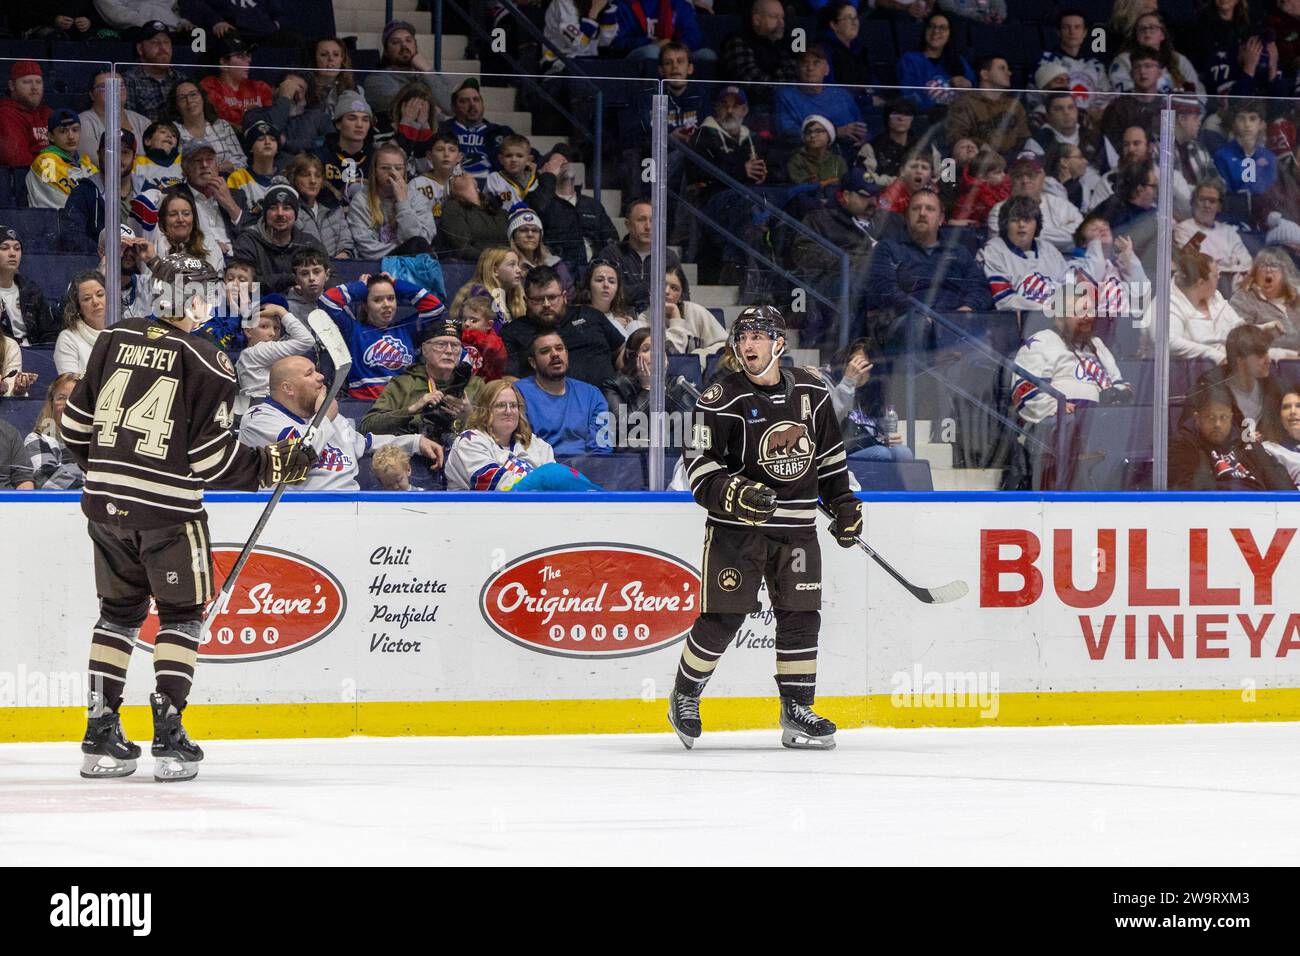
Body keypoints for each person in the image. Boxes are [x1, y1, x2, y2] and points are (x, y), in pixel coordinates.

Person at [63, 252, 315, 782]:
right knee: (179, 617)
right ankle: (169, 735)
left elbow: (73, 430)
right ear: (197, 298)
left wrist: (113, 473)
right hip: (168, 514)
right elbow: (210, 461)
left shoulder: (111, 338)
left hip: (104, 508)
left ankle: (100, 729)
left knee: (117, 615)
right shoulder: (208, 360)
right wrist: (270, 465)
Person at [667, 306, 860, 751]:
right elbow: (698, 468)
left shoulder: (812, 389)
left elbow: (830, 459)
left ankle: (797, 707)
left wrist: (845, 505)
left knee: (800, 615)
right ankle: (686, 694)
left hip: (797, 531)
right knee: (725, 615)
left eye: (758, 335)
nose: (748, 344)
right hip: (737, 531)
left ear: (779, 343)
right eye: (742, 336)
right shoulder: (718, 398)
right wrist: (735, 493)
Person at [239, 354, 442, 490]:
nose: (321, 377)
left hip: (352, 508)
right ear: (288, 388)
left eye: (316, 370)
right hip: (296, 515)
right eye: (310, 373)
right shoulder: (260, 419)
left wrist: (415, 442)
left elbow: (364, 443)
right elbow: (301, 452)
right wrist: (325, 417)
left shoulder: (331, 418)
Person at [1010, 271, 1131, 489]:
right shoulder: (1042, 342)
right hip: (1056, 431)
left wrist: (1120, 394)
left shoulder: (1097, 346)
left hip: (1099, 429)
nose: (1087, 316)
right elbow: (1024, 391)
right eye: (1078, 311)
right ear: (1059, 317)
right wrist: (1056, 407)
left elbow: (1119, 382)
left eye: (1089, 310)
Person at [359, 318, 487, 450]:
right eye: (441, 344)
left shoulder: (475, 385)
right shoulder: (404, 384)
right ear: (424, 350)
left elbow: (499, 434)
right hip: (414, 460)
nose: (449, 351)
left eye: (455, 346)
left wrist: (469, 415)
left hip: (463, 457)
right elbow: (366, 428)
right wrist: (413, 409)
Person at [865, 188, 993, 320]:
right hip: (907, 320)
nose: (922, 213)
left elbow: (980, 288)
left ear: (941, 219)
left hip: (955, 322)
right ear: (907, 217)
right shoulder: (888, 248)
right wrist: (920, 315)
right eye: (916, 208)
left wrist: (968, 309)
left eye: (929, 209)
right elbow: (883, 289)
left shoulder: (959, 251)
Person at [318, 272, 447, 399]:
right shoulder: (353, 330)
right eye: (377, 300)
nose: (386, 305)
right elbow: (327, 301)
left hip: (403, 408)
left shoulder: (406, 330)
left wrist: (398, 285)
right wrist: (360, 288)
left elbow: (436, 308)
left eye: (391, 298)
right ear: (366, 306)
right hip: (363, 408)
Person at [501, 265, 622, 384]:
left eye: (552, 297)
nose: (546, 304)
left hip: (611, 398)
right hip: (548, 401)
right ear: (526, 301)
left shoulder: (590, 315)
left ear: (564, 297)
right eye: (538, 299)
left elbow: (621, 352)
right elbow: (508, 379)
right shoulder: (513, 332)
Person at [1143, 236, 1251, 364]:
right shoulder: (1165, 302)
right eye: (1216, 276)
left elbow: (1239, 329)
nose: (1219, 280)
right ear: (1201, 283)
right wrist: (1214, 355)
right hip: (1178, 373)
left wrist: (1265, 330)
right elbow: (1167, 342)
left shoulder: (1216, 296)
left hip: (1225, 369)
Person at [1169, 386, 1293, 491]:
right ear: (1197, 419)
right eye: (1211, 417)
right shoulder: (1184, 445)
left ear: (1231, 417)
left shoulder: (1246, 444)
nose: (1217, 424)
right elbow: (1186, 493)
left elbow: (1279, 478)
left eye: (1223, 417)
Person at [445, 378, 558, 490]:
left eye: (513, 405)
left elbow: (557, 484)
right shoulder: (469, 442)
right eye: (500, 405)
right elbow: (496, 484)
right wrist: (542, 483)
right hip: (478, 507)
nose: (508, 411)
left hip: (534, 507)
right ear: (484, 410)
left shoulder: (537, 445)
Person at [1181, 324, 1288, 437]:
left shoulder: (1275, 387)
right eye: (1260, 355)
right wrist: (1240, 441)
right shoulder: (1207, 389)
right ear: (1240, 360)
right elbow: (1187, 436)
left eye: (1267, 353)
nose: (1268, 360)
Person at [599, 327, 698, 450]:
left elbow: (691, 425)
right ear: (632, 356)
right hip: (631, 459)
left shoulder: (679, 383)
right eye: (647, 349)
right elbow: (621, 429)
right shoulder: (614, 385)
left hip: (673, 455)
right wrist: (648, 389)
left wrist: (661, 386)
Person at [516, 331, 610, 456]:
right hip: (540, 469)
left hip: (586, 469)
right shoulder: (518, 393)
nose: (555, 354)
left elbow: (602, 447)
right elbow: (518, 446)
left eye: (559, 349)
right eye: (545, 351)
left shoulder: (592, 394)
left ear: (566, 354)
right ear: (533, 362)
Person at [826, 338, 912, 460]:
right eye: (854, 362)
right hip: (841, 455)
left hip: (871, 449)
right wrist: (847, 383)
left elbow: (879, 436)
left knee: (903, 452)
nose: (858, 370)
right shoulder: (830, 386)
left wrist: (888, 439)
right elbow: (830, 421)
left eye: (864, 365)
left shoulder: (874, 397)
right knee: (881, 453)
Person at [231, 184, 327, 294]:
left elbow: (331, 277)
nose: (280, 213)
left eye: (286, 208)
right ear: (265, 213)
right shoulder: (248, 241)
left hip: (304, 305)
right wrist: (291, 279)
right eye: (273, 208)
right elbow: (244, 283)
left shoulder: (309, 243)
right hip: (259, 306)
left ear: (295, 214)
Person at [979, 196, 1069, 312]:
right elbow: (1004, 300)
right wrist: (1049, 308)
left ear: (1037, 224)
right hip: (1013, 324)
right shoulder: (992, 251)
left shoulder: (1049, 249)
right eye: (1014, 220)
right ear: (1005, 224)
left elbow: (1069, 286)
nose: (1021, 224)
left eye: (1027, 220)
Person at [529, 159, 620, 273]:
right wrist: (548, 177)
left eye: (566, 161)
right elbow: (537, 210)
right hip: (558, 272)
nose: (564, 163)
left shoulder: (591, 204)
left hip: (594, 271)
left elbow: (611, 238)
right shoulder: (544, 203)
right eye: (558, 162)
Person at [347, 143, 435, 260]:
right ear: (375, 170)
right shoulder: (361, 200)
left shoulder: (417, 198)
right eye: (385, 168)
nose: (392, 173)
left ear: (404, 171)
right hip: (376, 266)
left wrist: (403, 202)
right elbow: (366, 247)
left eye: (398, 168)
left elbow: (420, 244)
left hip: (415, 265)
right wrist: (402, 250)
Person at [595, 199, 682, 312]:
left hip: (659, 319)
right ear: (628, 224)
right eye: (641, 220)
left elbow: (682, 294)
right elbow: (606, 294)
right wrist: (649, 288)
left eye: (653, 220)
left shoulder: (668, 257)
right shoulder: (611, 254)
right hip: (620, 318)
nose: (648, 227)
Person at [60, 130, 139, 254]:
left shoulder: (148, 192)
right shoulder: (83, 192)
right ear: (99, 154)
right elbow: (72, 237)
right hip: (99, 266)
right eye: (111, 151)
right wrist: (104, 252)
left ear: (134, 157)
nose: (117, 158)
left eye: (124, 152)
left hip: (141, 266)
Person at [774, 47, 867, 149]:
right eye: (805, 63)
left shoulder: (841, 94)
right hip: (805, 155)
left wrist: (862, 139)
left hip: (846, 151)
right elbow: (788, 134)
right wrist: (835, 132)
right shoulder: (785, 95)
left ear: (827, 69)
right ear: (797, 69)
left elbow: (861, 127)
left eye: (816, 63)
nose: (810, 68)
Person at [988, 157, 1083, 253]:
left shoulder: (1061, 204)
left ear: (1043, 177)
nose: (1025, 180)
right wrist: (1062, 236)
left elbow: (1080, 234)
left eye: (1031, 174)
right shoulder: (999, 209)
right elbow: (1001, 245)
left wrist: (1026, 234)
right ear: (1011, 180)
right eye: (1018, 175)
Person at [362, 19, 453, 116]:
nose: (404, 45)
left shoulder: (431, 74)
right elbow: (406, 108)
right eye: (396, 42)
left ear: (415, 45)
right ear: (386, 52)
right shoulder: (376, 80)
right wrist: (434, 110)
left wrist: (427, 70)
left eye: (408, 40)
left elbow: (451, 107)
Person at [1173, 180, 1253, 288]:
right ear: (1193, 202)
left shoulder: (1228, 231)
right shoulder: (1184, 228)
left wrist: (1219, 264)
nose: (1206, 205)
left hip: (1234, 285)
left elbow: (1247, 263)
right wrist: (1230, 262)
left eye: (1212, 201)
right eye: (1202, 199)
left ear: (1219, 206)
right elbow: (1197, 265)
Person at [944, 55, 1030, 156]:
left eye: (1008, 69)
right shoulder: (965, 103)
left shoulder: (1015, 105)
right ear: (985, 74)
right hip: (979, 161)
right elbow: (956, 137)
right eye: (1002, 68)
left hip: (1013, 161)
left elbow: (1025, 137)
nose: (1009, 73)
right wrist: (980, 145)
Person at [436, 78, 517, 181]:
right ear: (453, 107)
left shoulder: (501, 132)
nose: (472, 104)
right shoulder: (442, 131)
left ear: (482, 104)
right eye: (464, 101)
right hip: (454, 187)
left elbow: (528, 155)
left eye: (476, 99)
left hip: (493, 190)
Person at [1108, 11, 1205, 96]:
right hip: (1139, 114)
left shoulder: (1178, 59)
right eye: (1142, 29)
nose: (1147, 32)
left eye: (1152, 28)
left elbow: (1198, 92)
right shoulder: (1123, 60)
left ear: (1162, 35)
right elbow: (1123, 95)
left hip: (1178, 114)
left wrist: (1192, 114)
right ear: (1136, 36)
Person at [233, 300, 313, 401]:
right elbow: (306, 340)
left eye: (277, 328)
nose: (272, 333)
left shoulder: (246, 355)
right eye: (264, 326)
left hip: (257, 406)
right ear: (248, 331)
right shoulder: (259, 351)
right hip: (268, 404)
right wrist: (280, 311)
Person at [721, 0, 801, 100]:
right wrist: (786, 91)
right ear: (757, 20)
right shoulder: (737, 41)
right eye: (774, 17)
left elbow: (795, 75)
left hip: (787, 102)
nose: (781, 23)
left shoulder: (784, 42)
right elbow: (753, 83)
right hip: (749, 106)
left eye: (782, 17)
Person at [895, 11, 974, 112]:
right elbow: (908, 96)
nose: (936, 31)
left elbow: (973, 88)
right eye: (931, 26)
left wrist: (968, 84)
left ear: (950, 34)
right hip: (924, 119)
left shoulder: (959, 61)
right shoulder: (910, 60)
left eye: (942, 28)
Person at [137, 189, 224, 276]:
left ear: (193, 218)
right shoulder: (155, 244)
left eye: (186, 214)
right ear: (164, 219)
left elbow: (215, 281)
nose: (180, 219)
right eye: (173, 214)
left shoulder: (208, 243)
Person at [1230, 248, 1300, 352]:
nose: (1268, 270)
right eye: (1263, 266)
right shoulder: (1242, 299)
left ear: (1284, 274)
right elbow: (1241, 339)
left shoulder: (1295, 300)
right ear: (1255, 273)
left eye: (1274, 266)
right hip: (1270, 362)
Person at [1033, 9, 1110, 104]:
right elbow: (1036, 98)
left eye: (1077, 27)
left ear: (1085, 32)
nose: (1072, 32)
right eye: (1066, 27)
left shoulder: (1096, 65)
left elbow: (1105, 99)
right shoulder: (1046, 61)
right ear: (1058, 32)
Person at [169, 80, 244, 175]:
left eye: (193, 95)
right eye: (182, 98)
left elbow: (242, 161)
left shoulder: (222, 125)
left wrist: (217, 169)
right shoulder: (173, 131)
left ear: (202, 98)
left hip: (228, 182)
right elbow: (171, 167)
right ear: (176, 106)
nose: (189, 101)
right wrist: (216, 168)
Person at [198, 33, 273, 128]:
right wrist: (250, 113)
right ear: (224, 63)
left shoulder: (260, 87)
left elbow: (271, 119)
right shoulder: (209, 86)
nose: (248, 60)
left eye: (248, 55)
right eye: (240, 56)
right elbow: (221, 118)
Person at [286, 153, 353, 259]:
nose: (313, 181)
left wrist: (343, 255)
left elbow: (346, 243)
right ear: (294, 178)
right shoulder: (287, 209)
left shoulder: (334, 207)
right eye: (306, 175)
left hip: (337, 268)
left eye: (318, 175)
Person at [0, 225, 58, 345]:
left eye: (17, 248)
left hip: (33, 355)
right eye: (4, 248)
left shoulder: (31, 290)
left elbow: (49, 333)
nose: (12, 254)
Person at [652, 264, 728, 356]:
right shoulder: (645, 319)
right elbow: (673, 352)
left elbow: (725, 344)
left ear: (681, 295)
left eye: (674, 288)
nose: (667, 291)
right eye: (663, 285)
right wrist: (675, 314)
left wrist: (701, 354)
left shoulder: (696, 312)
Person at [24, 373, 84, 489]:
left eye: (75, 398)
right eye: (61, 398)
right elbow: (46, 477)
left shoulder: (98, 442)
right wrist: (90, 490)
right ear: (51, 404)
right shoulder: (38, 439)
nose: (68, 404)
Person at [122, 20, 188, 123]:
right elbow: (128, 121)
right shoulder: (128, 80)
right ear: (140, 48)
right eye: (155, 42)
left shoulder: (181, 79)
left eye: (166, 42)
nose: (162, 48)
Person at [435, 172, 509, 262]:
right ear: (451, 191)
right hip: (473, 266)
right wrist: (492, 259)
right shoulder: (452, 207)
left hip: (506, 263)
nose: (459, 173)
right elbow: (462, 247)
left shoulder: (495, 208)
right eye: (453, 178)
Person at [27, 109, 93, 209]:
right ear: (51, 136)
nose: (71, 136)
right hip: (50, 222)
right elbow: (67, 203)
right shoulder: (45, 162)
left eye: (75, 130)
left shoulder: (85, 163)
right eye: (63, 131)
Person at [450, 246, 526, 332]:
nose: (519, 270)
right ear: (495, 270)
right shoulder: (481, 295)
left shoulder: (508, 296)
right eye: (512, 264)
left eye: (518, 265)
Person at [78, 71, 151, 158]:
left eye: (120, 86)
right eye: (104, 87)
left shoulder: (142, 121)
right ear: (92, 95)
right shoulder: (82, 121)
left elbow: (158, 159)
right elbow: (97, 160)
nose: (114, 90)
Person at [1214, 100, 1277, 198]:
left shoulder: (1269, 158)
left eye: (1252, 119)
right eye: (1241, 119)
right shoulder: (1222, 156)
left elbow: (1272, 194)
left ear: (1261, 124)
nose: (1247, 124)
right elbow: (1225, 195)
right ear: (1234, 124)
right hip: (1234, 210)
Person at [0, 60, 53, 168]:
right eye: (27, 82)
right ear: (12, 86)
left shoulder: (48, 113)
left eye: (38, 82)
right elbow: (19, 162)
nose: (34, 88)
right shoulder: (5, 115)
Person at [55, 271, 108, 375]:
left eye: (100, 295)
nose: (96, 302)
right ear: (78, 307)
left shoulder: (125, 332)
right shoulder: (68, 338)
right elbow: (69, 386)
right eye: (87, 298)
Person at [508, 206, 572, 292]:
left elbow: (568, 295)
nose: (530, 235)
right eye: (523, 230)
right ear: (513, 236)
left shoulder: (555, 265)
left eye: (535, 230)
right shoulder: (507, 267)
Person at [578, 259, 644, 339]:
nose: (606, 285)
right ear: (589, 285)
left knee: (636, 326)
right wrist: (610, 324)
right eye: (599, 280)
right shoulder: (578, 315)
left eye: (611, 281)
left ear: (617, 289)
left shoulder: (623, 316)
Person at [225, 120, 280, 215]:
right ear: (250, 147)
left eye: (272, 139)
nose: (267, 142)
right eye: (261, 139)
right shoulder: (237, 178)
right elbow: (238, 217)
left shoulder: (283, 180)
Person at [543, 0, 620, 68]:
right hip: (558, 62)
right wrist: (593, 13)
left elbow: (605, 42)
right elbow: (578, 46)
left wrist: (607, 9)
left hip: (588, 60)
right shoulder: (562, 3)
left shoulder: (595, 3)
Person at [787, 115, 848, 186]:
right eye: (808, 132)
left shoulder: (838, 161)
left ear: (829, 135)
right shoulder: (797, 161)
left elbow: (845, 184)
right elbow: (801, 186)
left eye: (818, 131)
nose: (812, 135)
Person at [1261, 386, 1300, 488]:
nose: (1292, 411)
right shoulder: (1268, 449)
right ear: (1279, 416)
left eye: (1298, 406)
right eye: (1286, 407)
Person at [133, 121, 184, 193]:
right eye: (163, 132)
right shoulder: (136, 163)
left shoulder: (185, 162)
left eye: (174, 135)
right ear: (148, 141)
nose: (169, 136)